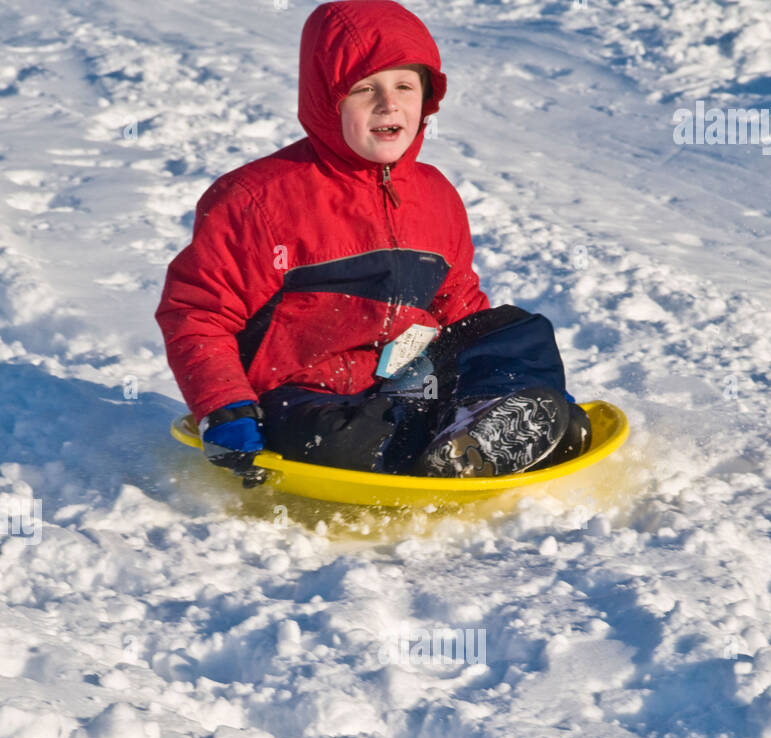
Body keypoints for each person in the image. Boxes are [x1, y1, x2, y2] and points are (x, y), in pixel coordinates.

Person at [155, 0, 591, 487]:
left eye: (404, 86)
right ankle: (437, 447)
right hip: (304, 396)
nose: (389, 104)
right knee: (333, 440)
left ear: (426, 98)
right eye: (365, 89)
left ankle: (488, 419)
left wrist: (513, 382)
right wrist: (225, 408)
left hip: (409, 382)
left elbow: (460, 307)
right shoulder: (257, 200)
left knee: (519, 330)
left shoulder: (435, 196)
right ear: (328, 100)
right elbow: (198, 315)